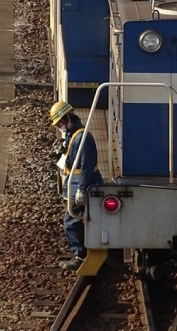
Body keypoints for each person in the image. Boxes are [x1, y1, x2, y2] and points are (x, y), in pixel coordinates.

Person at [50, 100, 103, 271]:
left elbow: (86, 165)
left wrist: (81, 189)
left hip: (83, 184)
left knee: (71, 220)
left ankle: (80, 255)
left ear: (67, 118)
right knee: (77, 218)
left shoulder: (82, 137)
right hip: (77, 184)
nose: (59, 127)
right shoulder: (74, 135)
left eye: (60, 123)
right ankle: (85, 250)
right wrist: (62, 151)